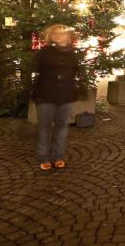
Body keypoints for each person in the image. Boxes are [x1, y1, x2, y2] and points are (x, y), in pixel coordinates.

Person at [32, 24, 79, 171]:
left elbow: (75, 72)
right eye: (55, 34)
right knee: (44, 127)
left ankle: (59, 156)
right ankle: (44, 157)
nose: (58, 36)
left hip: (66, 94)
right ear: (51, 37)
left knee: (62, 126)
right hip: (46, 93)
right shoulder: (45, 52)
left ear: (69, 36)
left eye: (61, 33)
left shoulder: (73, 54)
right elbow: (36, 68)